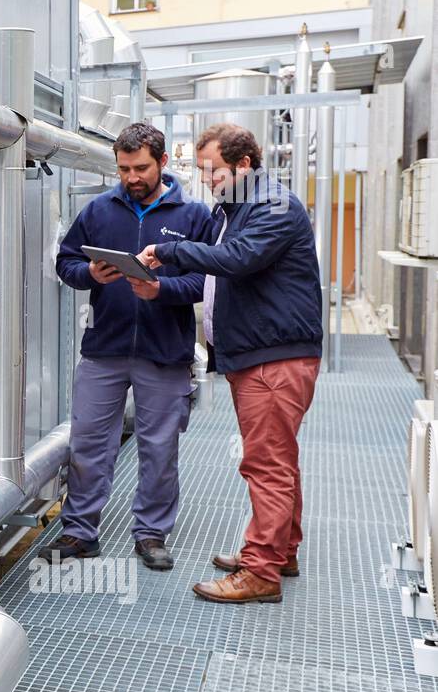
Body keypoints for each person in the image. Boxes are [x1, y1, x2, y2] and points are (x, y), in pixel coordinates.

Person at [138, 122, 322, 604]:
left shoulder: (274, 205)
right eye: (201, 171)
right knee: (279, 458)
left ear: (244, 164)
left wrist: (171, 250)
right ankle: (280, 551)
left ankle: (261, 572)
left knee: (265, 464)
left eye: (213, 170)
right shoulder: (238, 207)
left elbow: (239, 258)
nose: (206, 180)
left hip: (274, 359)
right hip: (259, 356)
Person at [39, 122, 215, 571]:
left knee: (159, 448)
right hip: (104, 347)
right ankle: (80, 532)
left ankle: (151, 534)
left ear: (162, 163)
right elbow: (67, 261)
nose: (131, 177)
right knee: (88, 442)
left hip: (165, 350)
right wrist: (88, 276)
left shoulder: (193, 217)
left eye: (140, 168)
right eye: (123, 169)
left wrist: (163, 291)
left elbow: (207, 282)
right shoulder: (100, 210)